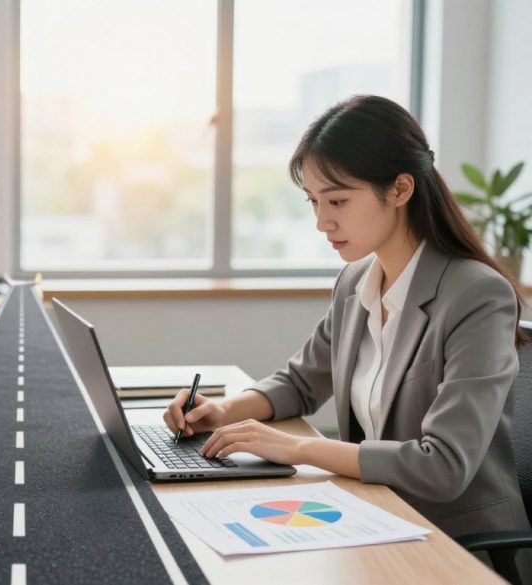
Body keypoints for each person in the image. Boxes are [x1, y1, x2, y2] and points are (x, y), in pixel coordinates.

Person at [164, 95, 530, 544]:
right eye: (313, 202)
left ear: (400, 189)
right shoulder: (357, 280)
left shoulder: (476, 295)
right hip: (374, 513)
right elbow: (301, 382)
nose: (322, 222)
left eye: (336, 201)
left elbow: (444, 466)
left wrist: (299, 449)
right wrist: (221, 411)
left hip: (454, 541)